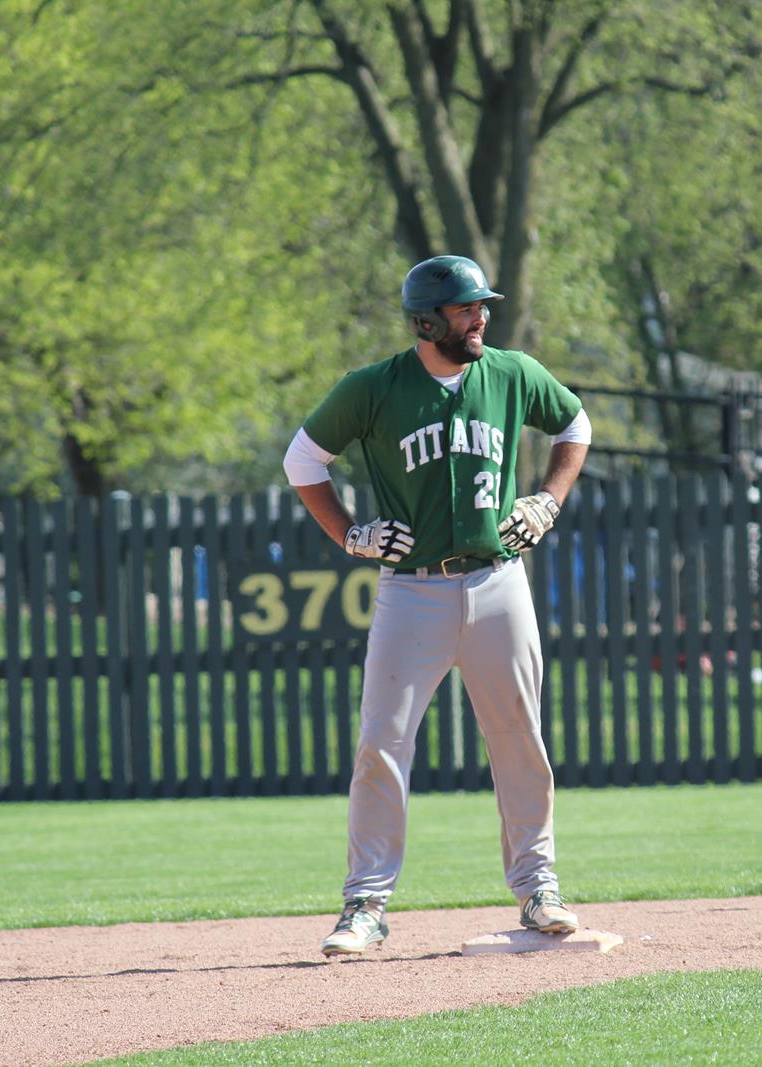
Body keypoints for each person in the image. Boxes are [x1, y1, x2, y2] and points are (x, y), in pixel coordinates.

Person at [282, 254, 592, 956]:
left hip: (498, 580)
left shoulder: (512, 373)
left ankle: (539, 889)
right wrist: (350, 534)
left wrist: (548, 499)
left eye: (482, 306)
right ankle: (365, 905)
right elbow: (303, 460)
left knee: (519, 737)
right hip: (411, 589)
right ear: (426, 322)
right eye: (465, 308)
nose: (479, 317)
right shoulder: (374, 388)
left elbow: (575, 426)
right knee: (381, 743)